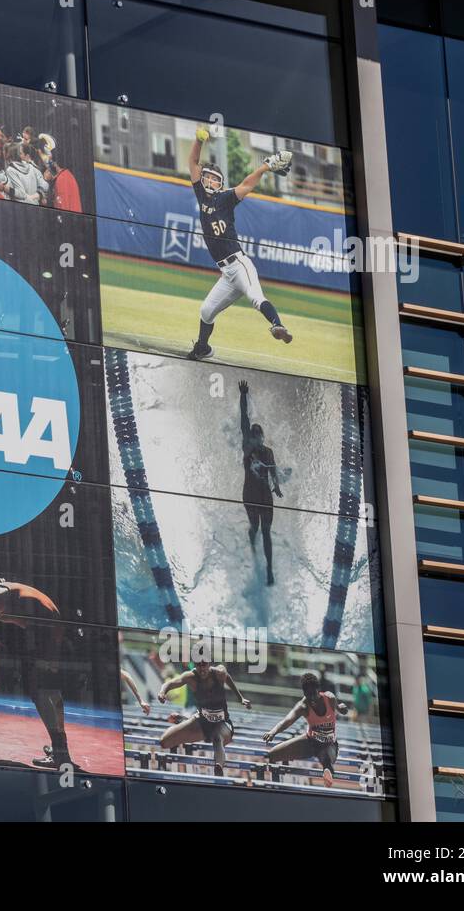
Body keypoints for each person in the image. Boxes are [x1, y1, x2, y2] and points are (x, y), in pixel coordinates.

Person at [185, 126, 294, 360]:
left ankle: (277, 325)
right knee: (205, 311)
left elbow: (247, 184)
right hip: (225, 273)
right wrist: (198, 140)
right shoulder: (201, 195)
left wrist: (265, 166)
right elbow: (193, 161)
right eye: (208, 177)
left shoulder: (225, 198)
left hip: (239, 264)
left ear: (220, 184)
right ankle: (203, 348)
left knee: (256, 298)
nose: (210, 181)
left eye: (215, 179)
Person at [0, 578, 75, 769]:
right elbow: (26, 621)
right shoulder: (9, 588)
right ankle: (61, 749)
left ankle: (60, 753)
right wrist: (8, 619)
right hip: (53, 622)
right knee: (51, 688)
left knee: (39, 692)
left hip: (44, 629)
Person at [156, 663, 253, 778]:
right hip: (202, 722)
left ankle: (219, 768)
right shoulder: (190, 677)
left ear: (209, 664)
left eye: (204, 665)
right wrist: (162, 692)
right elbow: (170, 683)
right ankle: (183, 721)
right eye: (198, 666)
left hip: (223, 724)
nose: (202, 669)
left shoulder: (219, 672)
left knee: (217, 738)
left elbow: (227, 677)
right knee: (164, 742)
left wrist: (240, 698)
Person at [261, 672, 349, 788]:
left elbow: (340, 708)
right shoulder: (302, 706)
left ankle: (327, 773)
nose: (311, 698)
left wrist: (342, 709)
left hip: (329, 744)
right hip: (310, 742)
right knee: (271, 755)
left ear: (318, 689)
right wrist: (273, 732)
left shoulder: (330, 698)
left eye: (313, 693)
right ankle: (275, 787)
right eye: (308, 694)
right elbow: (287, 721)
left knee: (326, 759)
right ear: (303, 693)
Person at [239, 380, 282, 586]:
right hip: (250, 494)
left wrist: (278, 486)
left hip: (265, 495)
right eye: (253, 436)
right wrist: (243, 395)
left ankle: (269, 569)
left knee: (266, 530)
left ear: (262, 436)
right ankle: (252, 544)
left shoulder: (268, 451)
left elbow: (273, 468)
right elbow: (243, 420)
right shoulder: (247, 448)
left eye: (259, 436)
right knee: (255, 527)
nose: (256, 439)